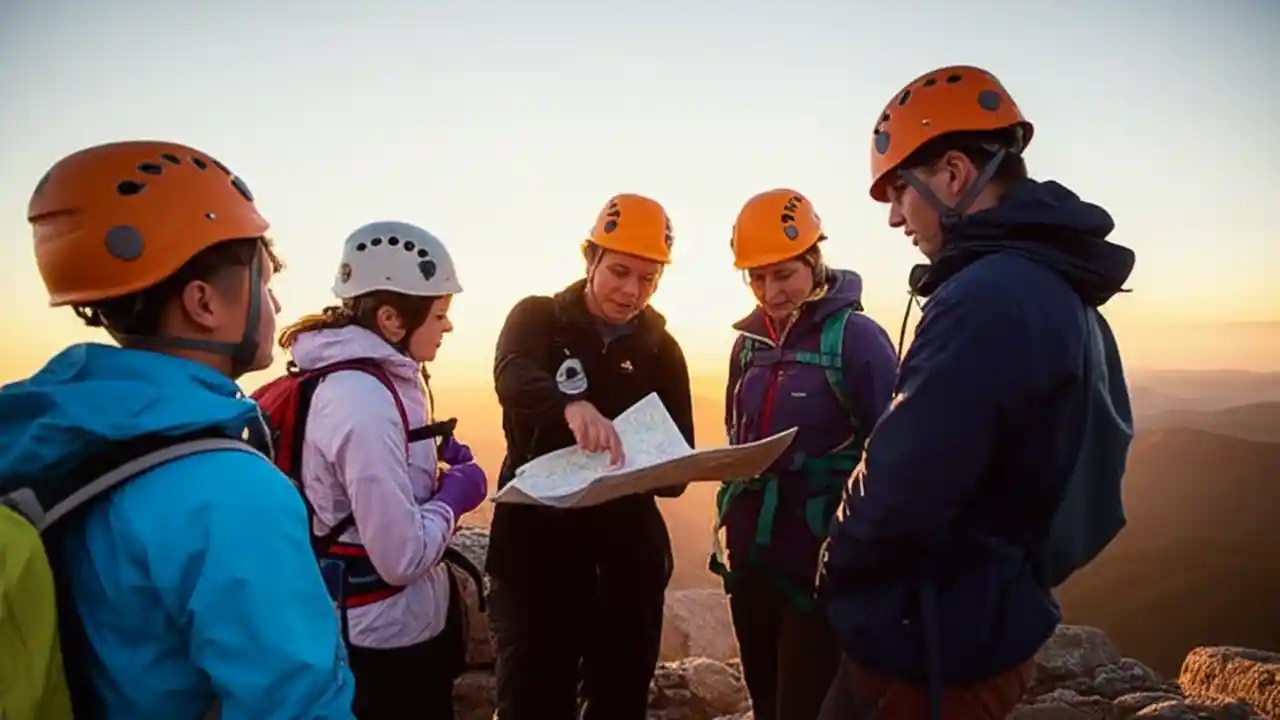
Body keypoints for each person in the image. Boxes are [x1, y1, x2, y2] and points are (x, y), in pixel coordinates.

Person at [816, 65, 1136, 719]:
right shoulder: (1046, 280)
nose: (895, 218)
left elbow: (905, 477)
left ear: (954, 176)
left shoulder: (986, 297)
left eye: (899, 194)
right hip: (987, 614)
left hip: (929, 642)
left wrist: (836, 562)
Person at [0, 141, 356, 718]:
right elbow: (294, 704)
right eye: (263, 283)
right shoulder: (228, 490)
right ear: (203, 304)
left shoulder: (46, 432)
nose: (275, 302)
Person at [266, 220, 489, 719]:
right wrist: (455, 497)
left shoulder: (373, 377)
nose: (447, 326)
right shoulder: (360, 399)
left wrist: (427, 455)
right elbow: (401, 556)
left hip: (394, 628)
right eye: (438, 314)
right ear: (391, 318)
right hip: (383, 645)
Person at [486, 193, 695, 720]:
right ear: (591, 259)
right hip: (536, 556)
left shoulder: (661, 351)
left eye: (648, 279)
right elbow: (512, 375)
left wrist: (664, 464)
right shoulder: (538, 319)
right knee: (533, 702)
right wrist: (570, 408)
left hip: (627, 566)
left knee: (619, 704)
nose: (631, 291)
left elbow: (677, 466)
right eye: (620, 271)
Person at [711, 188, 899, 720]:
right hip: (752, 555)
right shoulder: (747, 346)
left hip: (818, 557)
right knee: (765, 699)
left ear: (814, 262)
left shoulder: (856, 340)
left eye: (784, 274)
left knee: (805, 705)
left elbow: (894, 448)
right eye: (757, 277)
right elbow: (736, 434)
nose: (771, 292)